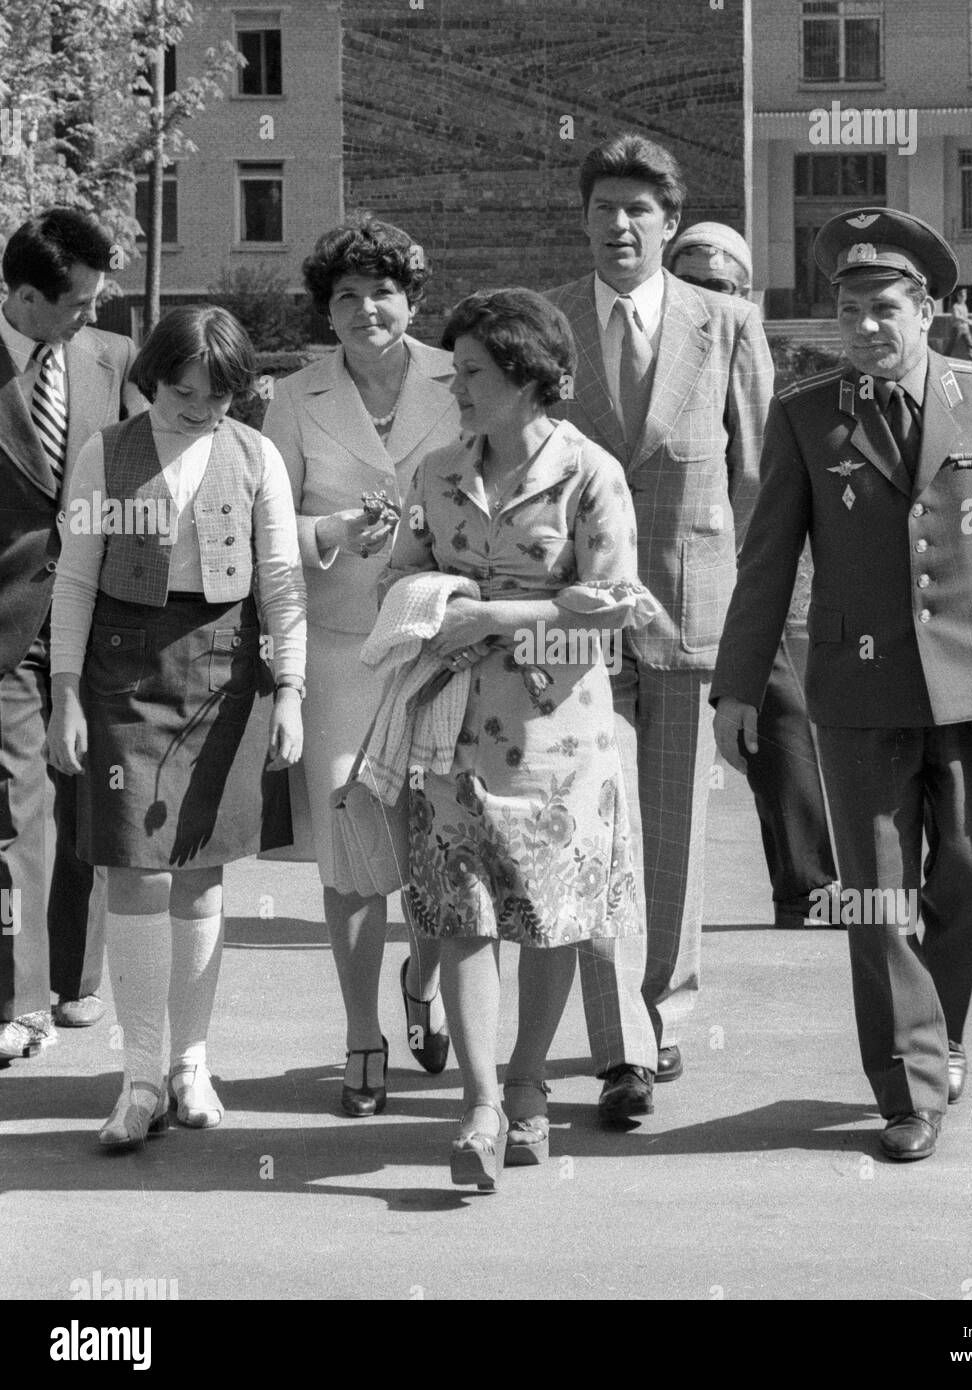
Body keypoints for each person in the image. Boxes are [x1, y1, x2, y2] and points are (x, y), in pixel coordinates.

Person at [711, 207, 972, 1161]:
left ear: (927, 309)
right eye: (848, 311)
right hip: (856, 692)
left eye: (884, 308)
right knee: (879, 898)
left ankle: (941, 1025)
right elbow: (766, 561)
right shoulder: (806, 415)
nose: (865, 328)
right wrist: (735, 688)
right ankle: (907, 1088)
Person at [380, 287, 659, 1187]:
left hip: (558, 744)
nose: (454, 387)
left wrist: (492, 610)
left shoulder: (591, 475)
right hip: (449, 734)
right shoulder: (433, 472)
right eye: (455, 370)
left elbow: (610, 623)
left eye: (472, 373)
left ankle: (531, 1082)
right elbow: (400, 578)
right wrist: (431, 604)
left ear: (528, 380)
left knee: (546, 920)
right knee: (462, 917)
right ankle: (481, 1105)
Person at [543, 134, 775, 1116]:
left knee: (672, 831)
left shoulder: (724, 323)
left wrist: (753, 631)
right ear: (586, 216)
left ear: (669, 222)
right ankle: (620, 1050)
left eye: (640, 208)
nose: (620, 224)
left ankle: (665, 1006)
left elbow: (760, 479)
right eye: (605, 207)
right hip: (577, 625)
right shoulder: (546, 320)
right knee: (596, 831)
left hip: (689, 612)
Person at [46, 305, 306, 1148]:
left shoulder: (256, 453)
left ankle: (192, 1064)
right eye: (182, 391)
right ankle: (139, 1079)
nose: (199, 408)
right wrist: (66, 692)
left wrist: (293, 689)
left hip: (228, 672)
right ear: (152, 376)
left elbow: (280, 577)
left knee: (200, 871)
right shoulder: (105, 453)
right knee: (131, 866)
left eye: (217, 395)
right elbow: (76, 579)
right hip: (124, 670)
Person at [262, 216, 457, 1115]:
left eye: (382, 292)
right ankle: (359, 1032)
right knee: (349, 851)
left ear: (411, 300)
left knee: (426, 841)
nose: (364, 309)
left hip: (433, 645)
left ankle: (423, 977)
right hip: (339, 651)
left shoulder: (462, 378)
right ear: (326, 311)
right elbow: (275, 534)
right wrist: (333, 533)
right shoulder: (294, 397)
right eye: (345, 297)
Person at [0, 208, 146, 1064]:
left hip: (97, 620)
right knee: (22, 809)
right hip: (9, 629)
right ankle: (20, 1001)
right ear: (23, 296)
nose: (92, 315)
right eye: (79, 303)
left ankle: (77, 981)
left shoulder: (113, 360)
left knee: (89, 792)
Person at [666, 222, 839, 929]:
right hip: (623, 562)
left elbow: (756, 460)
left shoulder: (736, 332)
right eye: (696, 281)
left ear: (745, 295)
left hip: (719, 561)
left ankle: (808, 886)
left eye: (725, 284)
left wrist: (747, 571)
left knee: (777, 714)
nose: (710, 295)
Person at [944, 286, 972, 361]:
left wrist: (967, 322)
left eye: (965, 296)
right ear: (958, 297)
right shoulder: (955, 306)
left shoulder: (965, 306)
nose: (964, 298)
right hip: (958, 328)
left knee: (970, 343)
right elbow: (957, 316)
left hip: (965, 328)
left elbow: (965, 316)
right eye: (962, 296)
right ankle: (945, 357)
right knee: (951, 345)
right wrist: (968, 321)